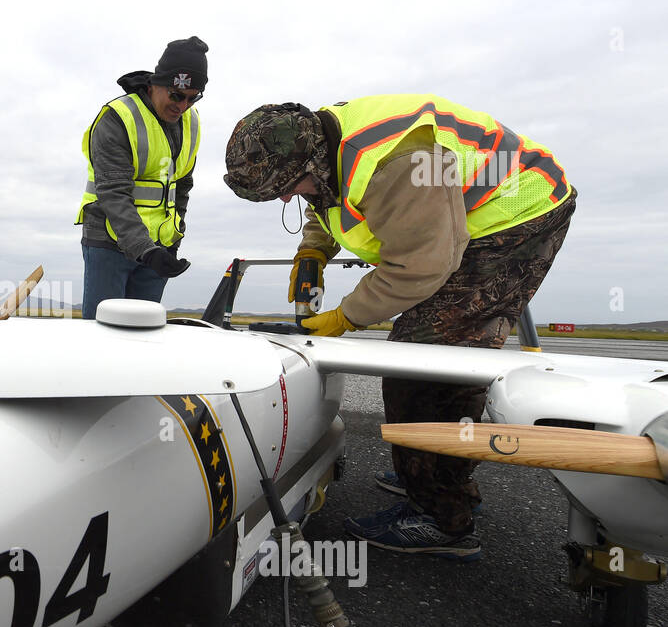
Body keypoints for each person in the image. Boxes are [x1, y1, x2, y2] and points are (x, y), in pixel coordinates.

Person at [223, 96, 576, 560]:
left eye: (287, 187)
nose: (287, 198)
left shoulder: (398, 166)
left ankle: (442, 515)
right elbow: (326, 196)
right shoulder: (318, 139)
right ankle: (427, 471)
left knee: (427, 365)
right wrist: (313, 250)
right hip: (452, 217)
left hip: (516, 216)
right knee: (428, 358)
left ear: (308, 159)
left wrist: (346, 315)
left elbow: (421, 265)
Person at [76, 36, 208, 320]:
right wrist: (145, 250)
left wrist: (174, 238)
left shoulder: (192, 122)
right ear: (155, 84)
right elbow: (113, 193)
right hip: (109, 243)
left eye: (192, 97)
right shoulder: (118, 118)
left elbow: (182, 186)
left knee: (143, 332)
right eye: (176, 95)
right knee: (103, 331)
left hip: (157, 250)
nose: (183, 106)